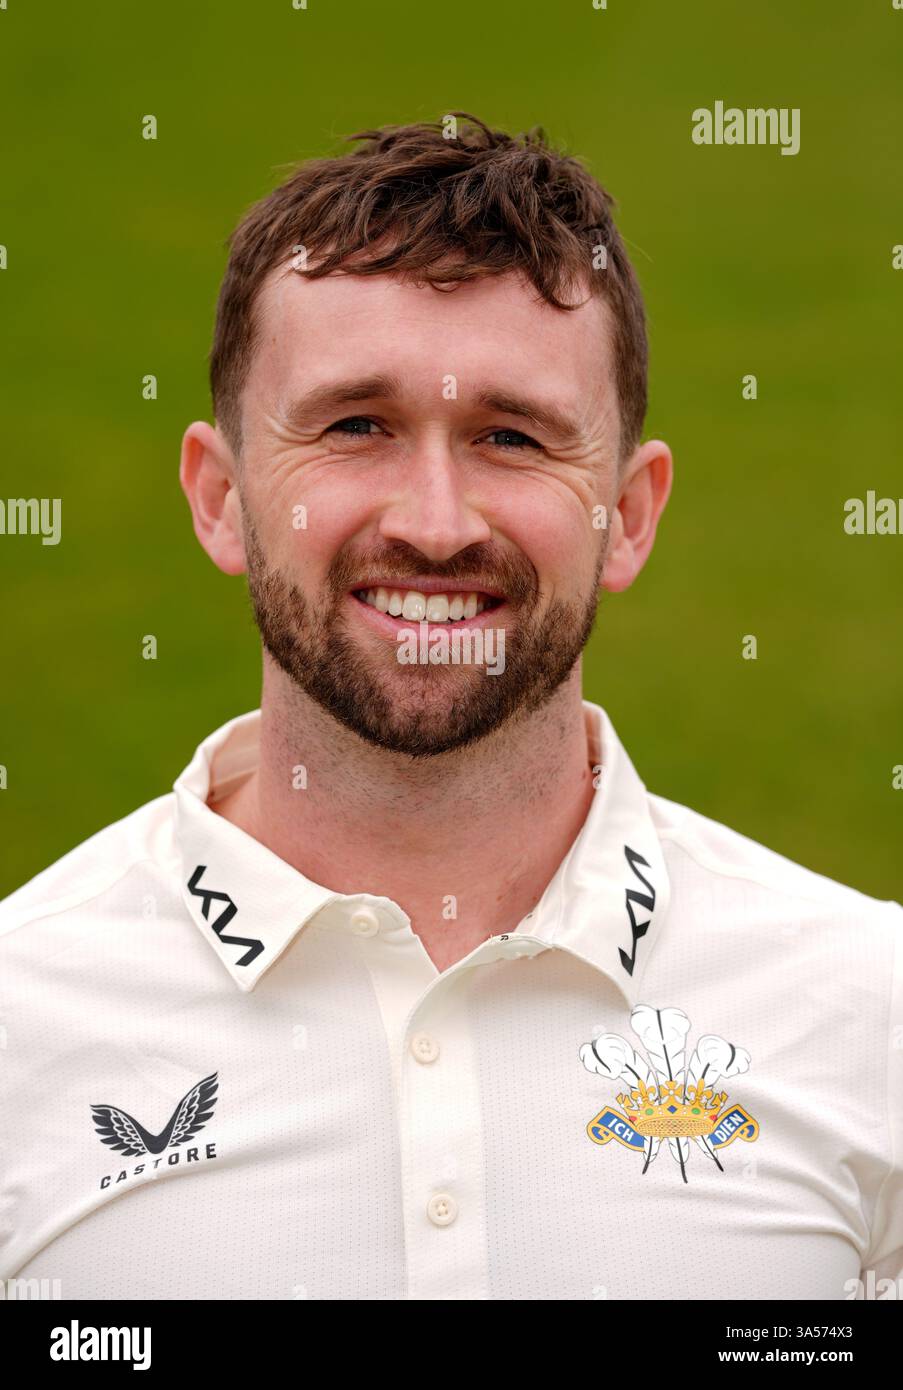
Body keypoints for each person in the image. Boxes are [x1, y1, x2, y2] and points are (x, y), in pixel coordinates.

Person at [1, 113, 899, 1301]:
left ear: (628, 515)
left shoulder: (869, 1011)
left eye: (511, 436)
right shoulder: (23, 1016)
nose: (435, 521)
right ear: (221, 498)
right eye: (356, 426)